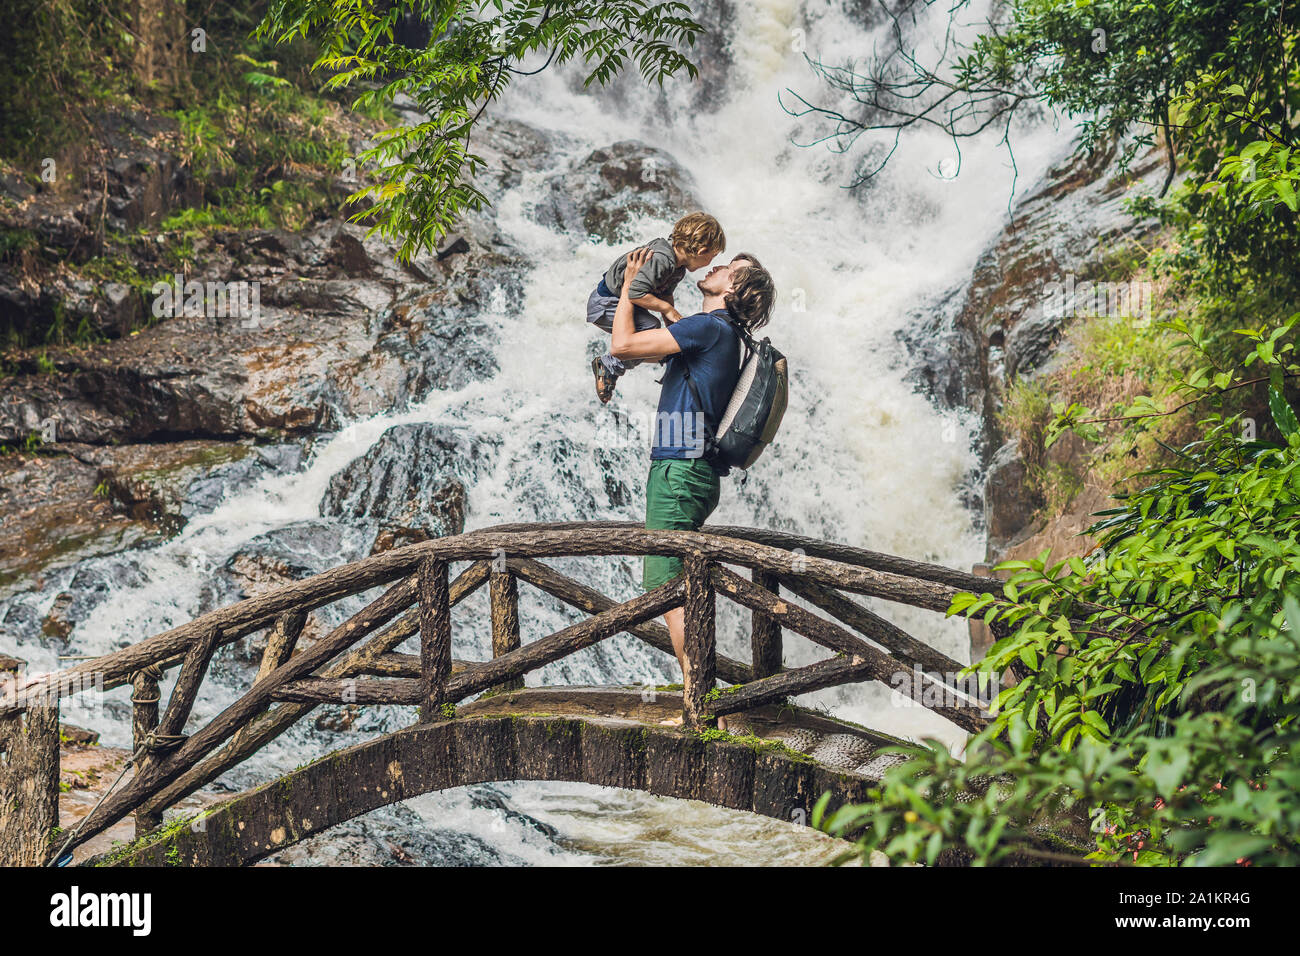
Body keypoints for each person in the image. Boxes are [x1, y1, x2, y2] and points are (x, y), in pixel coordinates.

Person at [610, 245, 776, 698]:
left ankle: (698, 698)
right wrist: (663, 307)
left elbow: (622, 345)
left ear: (735, 288)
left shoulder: (708, 328)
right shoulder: (727, 335)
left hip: (679, 470)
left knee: (667, 589)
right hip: (695, 473)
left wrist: (631, 286)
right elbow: (657, 348)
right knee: (680, 586)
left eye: (728, 269)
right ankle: (700, 693)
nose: (716, 267)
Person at [587, 211, 726, 403]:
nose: (711, 262)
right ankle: (608, 365)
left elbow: (666, 296)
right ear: (701, 252)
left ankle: (668, 358)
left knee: (662, 344)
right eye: (713, 256)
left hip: (617, 303)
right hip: (605, 303)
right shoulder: (663, 260)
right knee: (650, 328)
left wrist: (675, 329)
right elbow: (635, 293)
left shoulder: (677, 268)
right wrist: (668, 311)